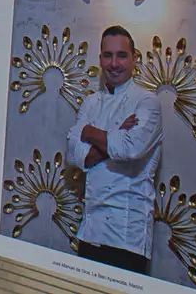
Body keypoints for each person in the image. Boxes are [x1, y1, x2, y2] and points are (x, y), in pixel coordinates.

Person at [66, 25, 163, 274]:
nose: (114, 63)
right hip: (90, 230)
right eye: (108, 56)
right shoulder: (90, 102)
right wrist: (116, 131)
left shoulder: (147, 103)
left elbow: (130, 149)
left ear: (134, 59)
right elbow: (77, 157)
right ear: (100, 59)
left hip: (127, 236)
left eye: (121, 55)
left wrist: (90, 132)